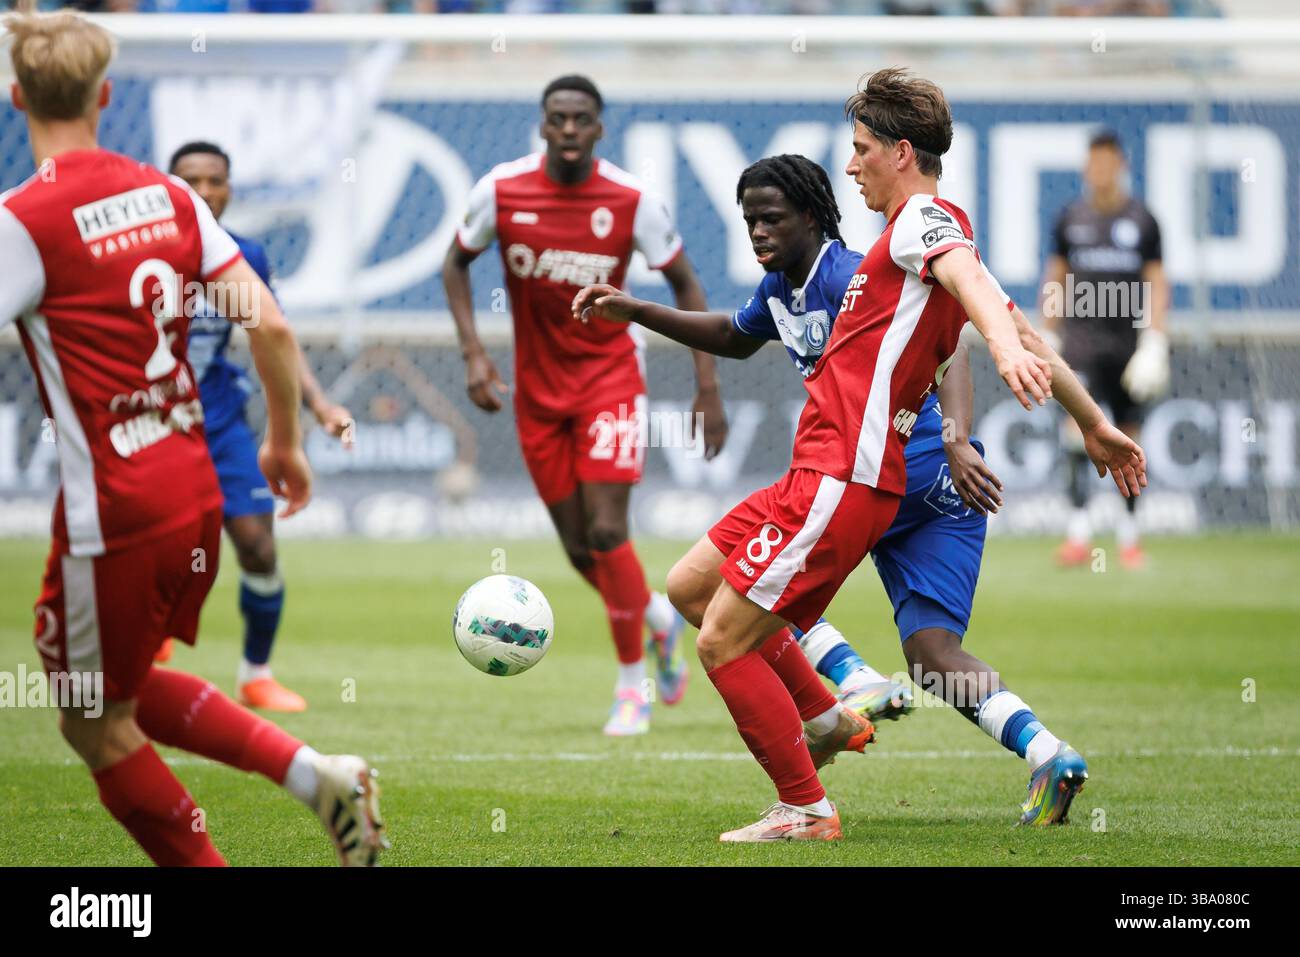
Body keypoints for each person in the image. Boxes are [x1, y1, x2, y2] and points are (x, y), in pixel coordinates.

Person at [582, 68, 1144, 841]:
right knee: (699, 588)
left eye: (861, 150)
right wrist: (1091, 423)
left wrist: (995, 375)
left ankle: (808, 798)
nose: (852, 167)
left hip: (843, 471)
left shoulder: (917, 223)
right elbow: (1010, 317)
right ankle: (832, 715)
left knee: (718, 638)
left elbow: (983, 305)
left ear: (901, 152)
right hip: (836, 472)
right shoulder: (929, 240)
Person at [1, 11, 386, 865]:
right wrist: (283, 443)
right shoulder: (168, 196)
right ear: (104, 96)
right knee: (115, 688)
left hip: (116, 507)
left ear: (18, 96)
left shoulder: (24, 220)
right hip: (194, 484)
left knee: (91, 723)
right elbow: (273, 329)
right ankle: (316, 775)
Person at [443, 74, 729, 736]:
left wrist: (706, 385)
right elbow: (454, 264)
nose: (568, 129)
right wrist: (473, 354)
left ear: (599, 129)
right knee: (578, 549)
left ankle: (633, 686)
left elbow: (686, 282)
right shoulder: (500, 190)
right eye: (557, 119)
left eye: (581, 119)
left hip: (609, 379)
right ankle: (654, 614)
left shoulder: (632, 200)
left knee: (607, 531)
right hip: (537, 393)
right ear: (541, 127)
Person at [158, 140, 354, 713]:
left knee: (257, 545)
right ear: (168, 186)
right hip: (150, 421)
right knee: (158, 545)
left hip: (218, 420)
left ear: (230, 189)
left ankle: (256, 674)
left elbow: (275, 334)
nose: (202, 190)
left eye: (214, 180)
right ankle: (149, 642)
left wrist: (320, 408)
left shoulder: (244, 257)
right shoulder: (138, 251)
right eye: (189, 179)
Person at [1042, 128, 1169, 569]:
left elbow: (1156, 281)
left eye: (1106, 163)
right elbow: (1055, 276)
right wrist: (1050, 331)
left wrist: (1155, 339)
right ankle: (1078, 535)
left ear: (1121, 167)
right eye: (1092, 163)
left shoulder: (1143, 221)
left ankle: (1130, 539)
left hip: (1127, 347)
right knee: (1077, 436)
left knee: (1130, 441)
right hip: (1079, 345)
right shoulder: (1070, 219)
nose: (1099, 172)